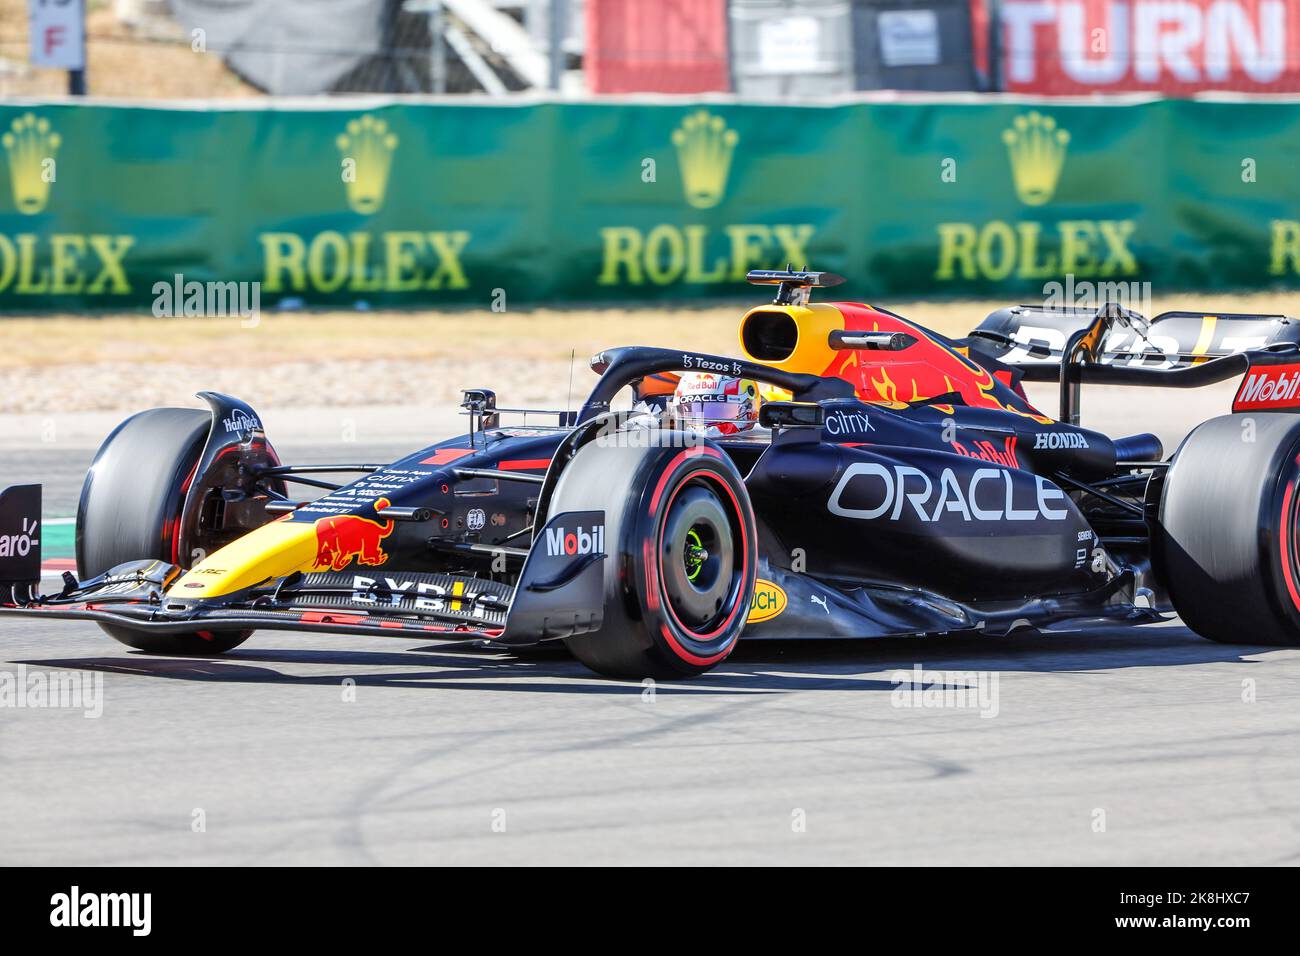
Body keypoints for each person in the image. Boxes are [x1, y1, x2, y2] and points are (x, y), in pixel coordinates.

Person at [666, 372, 762, 438]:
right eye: (692, 412)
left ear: (749, 408)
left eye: (719, 411)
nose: (704, 427)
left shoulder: (766, 439)